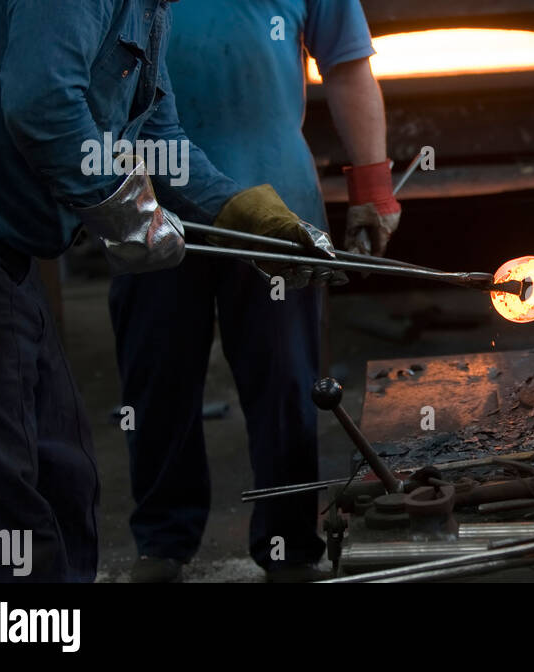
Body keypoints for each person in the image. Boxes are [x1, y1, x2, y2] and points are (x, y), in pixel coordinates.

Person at [0, 0, 341, 582]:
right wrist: (126, 210)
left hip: (0, 247)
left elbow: (158, 136)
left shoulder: (148, 9)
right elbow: (41, 103)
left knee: (62, 469)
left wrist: (239, 211)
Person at [116, 0, 400, 583]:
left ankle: (290, 544)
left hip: (274, 205)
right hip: (149, 203)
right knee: (157, 381)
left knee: (286, 384)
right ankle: (164, 544)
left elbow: (347, 64)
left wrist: (372, 184)